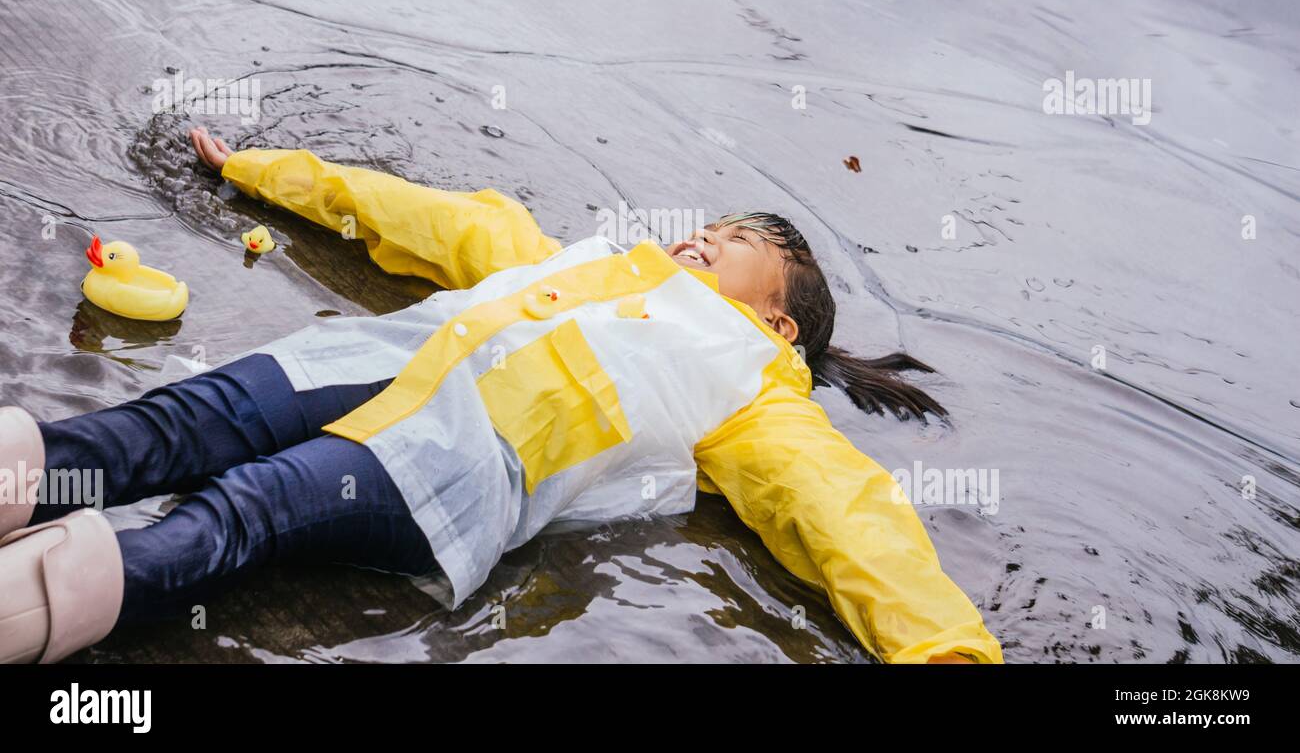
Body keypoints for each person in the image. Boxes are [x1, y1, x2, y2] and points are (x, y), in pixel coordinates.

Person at [0, 127, 1002, 664]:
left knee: (241, 509)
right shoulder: (587, 257)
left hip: (445, 463)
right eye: (713, 223)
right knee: (174, 422)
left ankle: (27, 608)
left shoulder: (754, 388)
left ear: (779, 319)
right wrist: (259, 171)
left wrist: (943, 648)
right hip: (368, 363)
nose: (703, 235)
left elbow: (848, 514)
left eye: (738, 244)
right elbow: (425, 218)